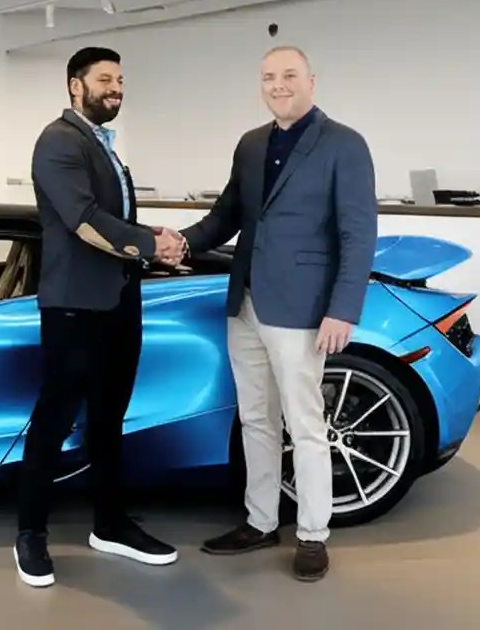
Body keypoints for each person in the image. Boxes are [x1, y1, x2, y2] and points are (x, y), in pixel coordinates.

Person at [175, 46, 377, 582]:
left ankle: (313, 534)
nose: (278, 85)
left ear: (312, 80)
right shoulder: (251, 144)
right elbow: (226, 216)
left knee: (305, 425)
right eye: (268, 77)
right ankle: (260, 520)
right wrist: (179, 243)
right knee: (256, 419)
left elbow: (359, 235)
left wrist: (343, 309)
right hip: (245, 303)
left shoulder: (345, 144)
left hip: (303, 309)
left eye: (288, 75)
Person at [15, 46, 183, 588]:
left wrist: (154, 240)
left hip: (117, 301)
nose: (116, 88)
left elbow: (112, 218)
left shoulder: (104, 146)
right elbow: (84, 222)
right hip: (74, 308)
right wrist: (152, 246)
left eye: (120, 80)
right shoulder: (58, 141)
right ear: (74, 85)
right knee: (54, 421)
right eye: (105, 79)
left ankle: (110, 525)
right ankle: (30, 535)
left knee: (110, 419)